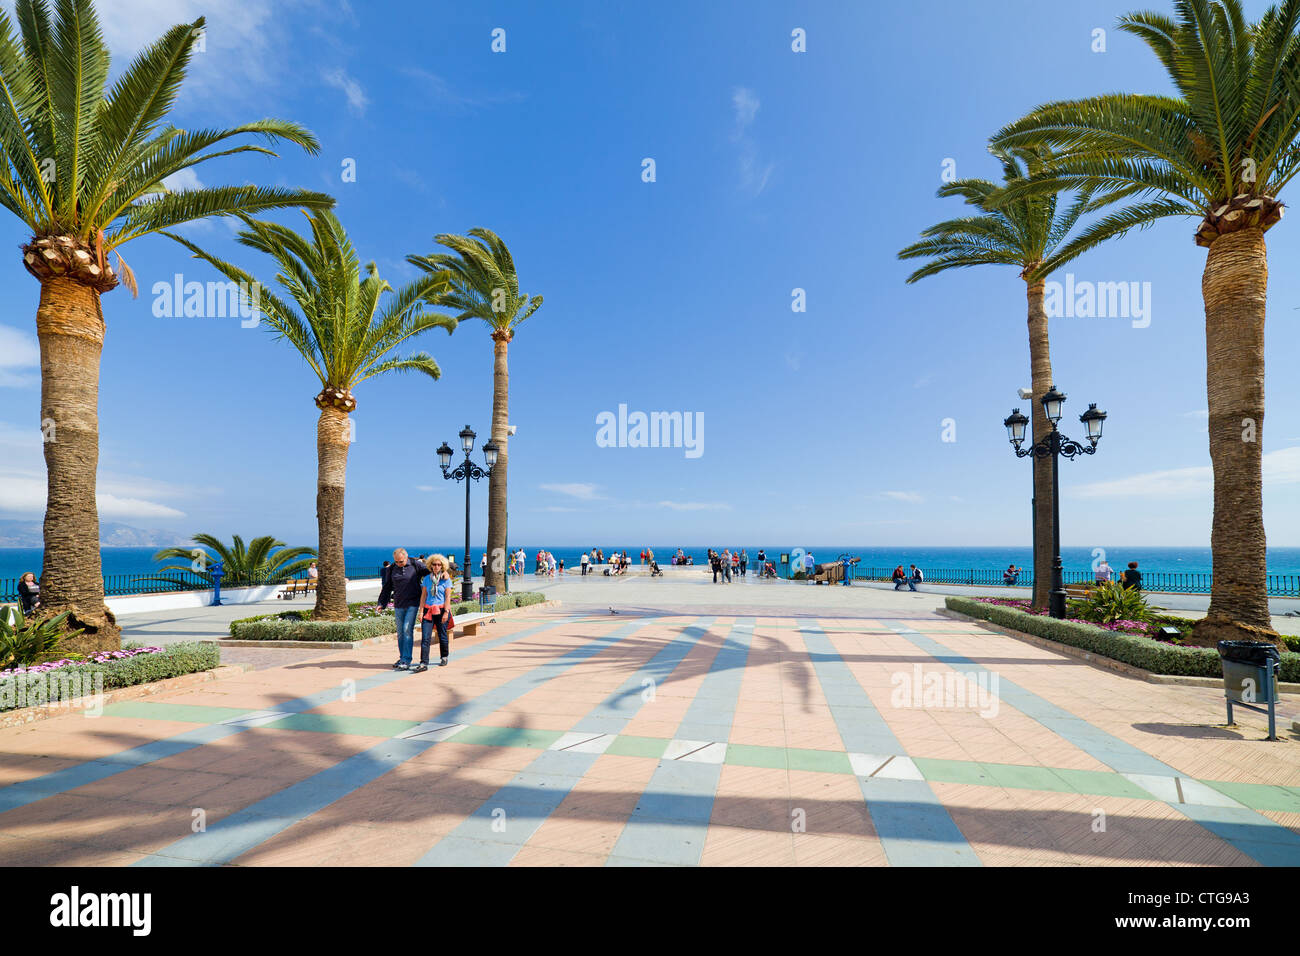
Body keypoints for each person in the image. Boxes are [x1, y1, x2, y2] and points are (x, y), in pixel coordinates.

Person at [378, 548, 431, 670]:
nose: (398, 564)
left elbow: (430, 571)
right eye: (396, 561)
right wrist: (381, 602)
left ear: (406, 558)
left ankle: (406, 660)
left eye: (401, 561)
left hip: (413, 602)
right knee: (401, 632)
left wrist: (443, 572)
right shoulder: (391, 569)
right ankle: (402, 657)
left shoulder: (415, 564)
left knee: (407, 629)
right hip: (398, 604)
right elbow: (387, 587)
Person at [417, 554, 453, 670]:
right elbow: (423, 596)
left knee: (442, 635)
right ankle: (423, 662)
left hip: (442, 610)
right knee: (425, 637)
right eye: (434, 564)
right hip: (428, 610)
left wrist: (446, 612)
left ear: (442, 566)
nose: (436, 566)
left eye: (439, 565)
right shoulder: (427, 579)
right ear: (430, 566)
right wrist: (421, 611)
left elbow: (448, 597)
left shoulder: (446, 580)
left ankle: (444, 656)